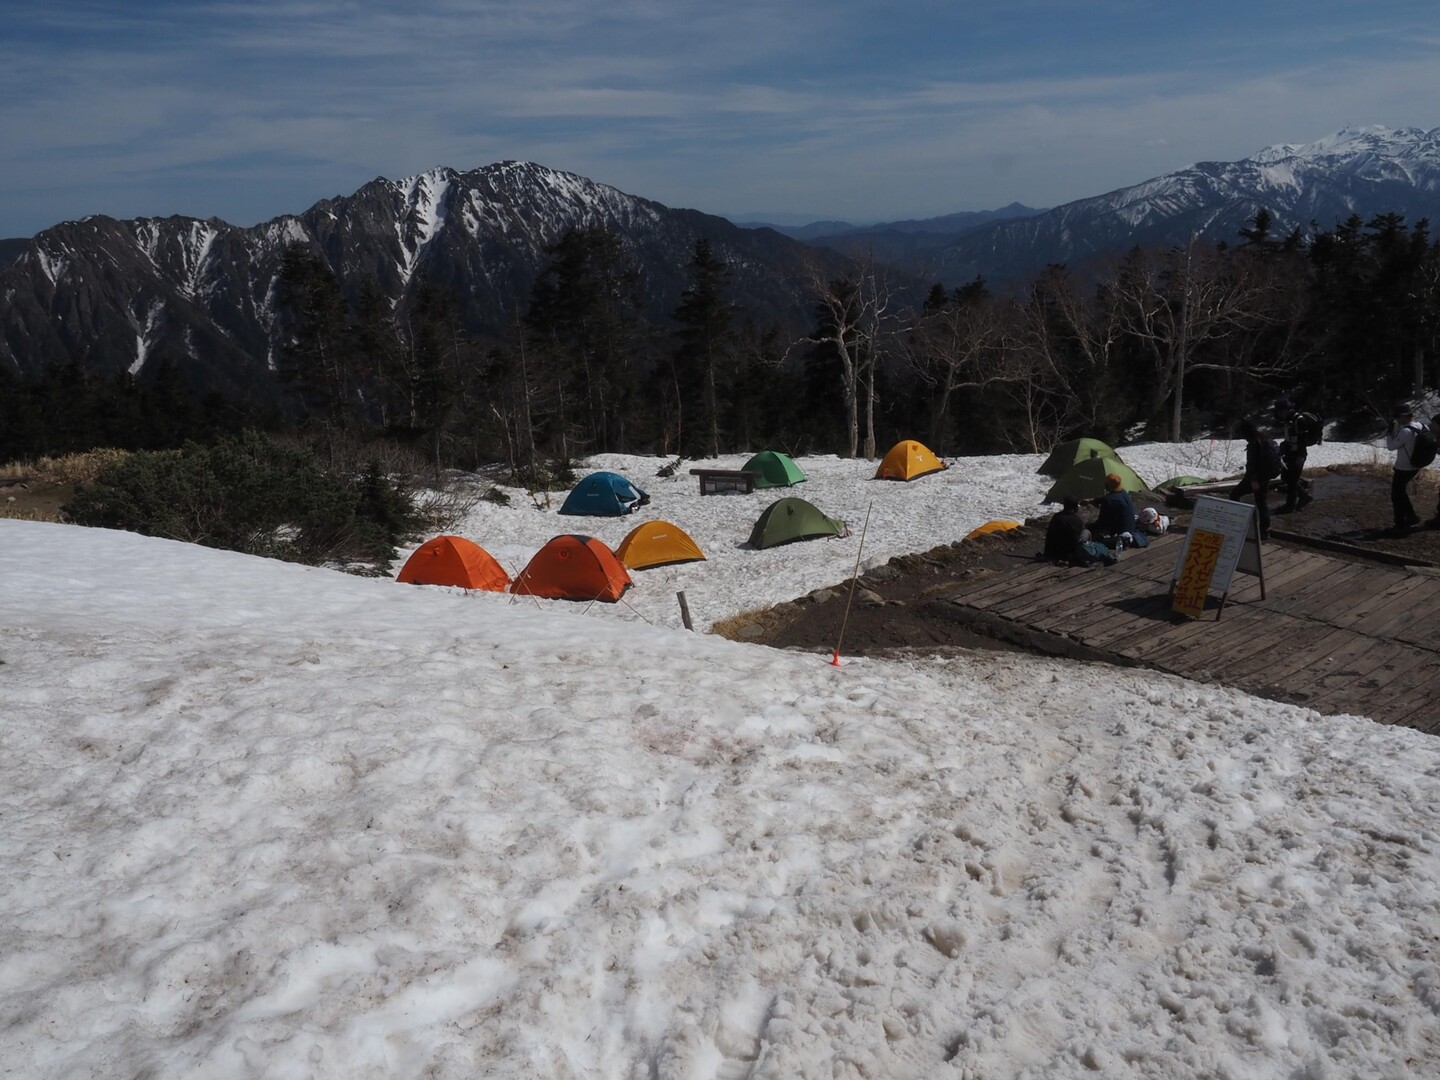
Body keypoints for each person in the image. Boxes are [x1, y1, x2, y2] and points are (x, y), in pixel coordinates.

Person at [1229, 418, 1272, 541]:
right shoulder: (1264, 439)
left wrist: (1253, 480)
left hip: (1254, 478)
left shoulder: (1254, 443)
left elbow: (1253, 464)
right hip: (1265, 477)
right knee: (1261, 502)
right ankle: (1265, 531)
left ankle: (1237, 524)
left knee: (1235, 494)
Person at [1385, 404, 1424, 535]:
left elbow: (1391, 446)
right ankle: (1412, 516)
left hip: (1403, 468)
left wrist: (1389, 433)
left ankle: (1400, 524)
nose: (1398, 420)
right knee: (1401, 492)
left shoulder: (1406, 431)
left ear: (1403, 416)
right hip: (1415, 465)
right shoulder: (1421, 426)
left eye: (1398, 417)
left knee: (1396, 496)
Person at [1272, 395, 1314, 513]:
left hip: (1298, 454)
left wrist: (1301, 456)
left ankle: (1290, 506)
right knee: (1287, 477)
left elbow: (1303, 440)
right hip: (1290, 453)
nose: (1279, 415)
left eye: (1280, 412)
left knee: (1292, 480)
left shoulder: (1299, 420)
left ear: (1285, 410)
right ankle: (1305, 496)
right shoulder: (1289, 420)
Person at [1090, 472, 1136, 545]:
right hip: (1130, 529)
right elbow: (1109, 497)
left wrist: (1089, 526)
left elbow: (1101, 522)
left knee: (1096, 537)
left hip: (1120, 536)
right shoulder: (1123, 492)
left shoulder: (1108, 501)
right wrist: (1093, 500)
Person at [1043, 496, 1089, 562]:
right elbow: (1075, 539)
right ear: (1075, 507)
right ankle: (1087, 551)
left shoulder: (1056, 517)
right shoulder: (1076, 519)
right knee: (1086, 532)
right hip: (1067, 554)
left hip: (1052, 552)